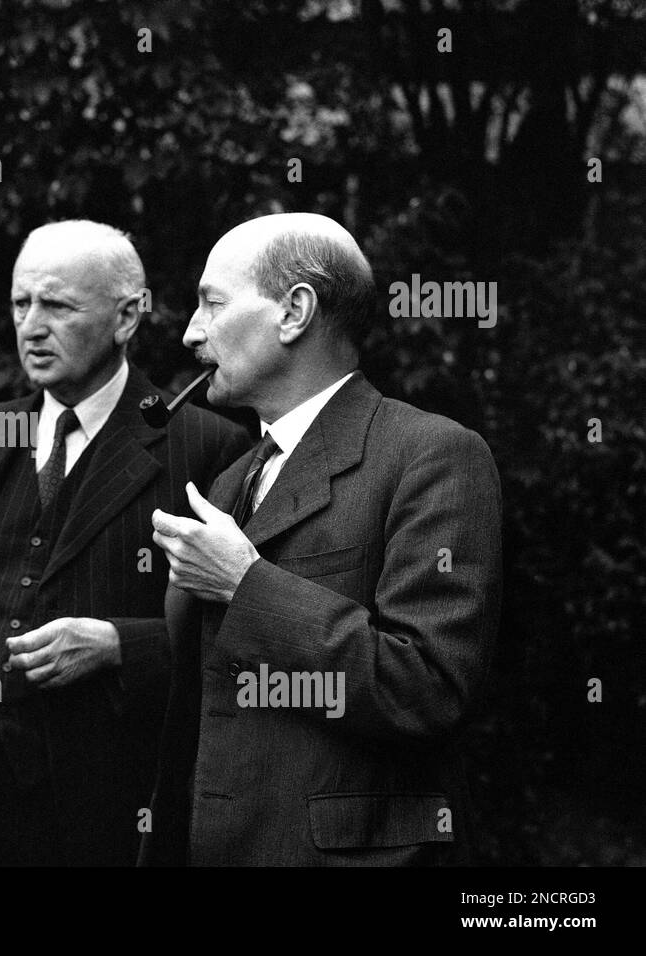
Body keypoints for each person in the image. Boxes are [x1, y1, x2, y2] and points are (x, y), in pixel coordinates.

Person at [143, 212, 502, 866]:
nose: (192, 332)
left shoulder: (433, 455)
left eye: (212, 304)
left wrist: (244, 585)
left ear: (293, 312)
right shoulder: (229, 482)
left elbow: (427, 688)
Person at [0, 220, 253, 866]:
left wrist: (122, 646)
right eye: (19, 303)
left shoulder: (206, 446)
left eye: (56, 305)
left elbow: (233, 638)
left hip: (96, 804)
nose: (31, 325)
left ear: (125, 320)